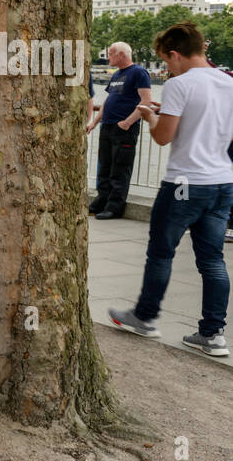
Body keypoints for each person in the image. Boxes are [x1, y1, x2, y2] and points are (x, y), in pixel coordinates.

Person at [108, 22, 233, 357]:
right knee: (213, 260)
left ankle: (145, 317)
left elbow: (164, 137)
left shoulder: (180, 85)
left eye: (167, 60)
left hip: (184, 182)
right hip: (222, 182)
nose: (166, 67)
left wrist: (150, 116)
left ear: (176, 54)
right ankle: (213, 334)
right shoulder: (228, 82)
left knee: (161, 252)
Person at [86, 42, 153, 220]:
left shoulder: (138, 73)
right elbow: (108, 101)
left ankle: (115, 206)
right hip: (107, 126)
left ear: (122, 54)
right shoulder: (116, 74)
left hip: (124, 128)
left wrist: (127, 122)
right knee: (105, 167)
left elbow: (146, 101)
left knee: (120, 168)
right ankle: (102, 200)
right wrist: (94, 122)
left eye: (111, 54)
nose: (108, 57)